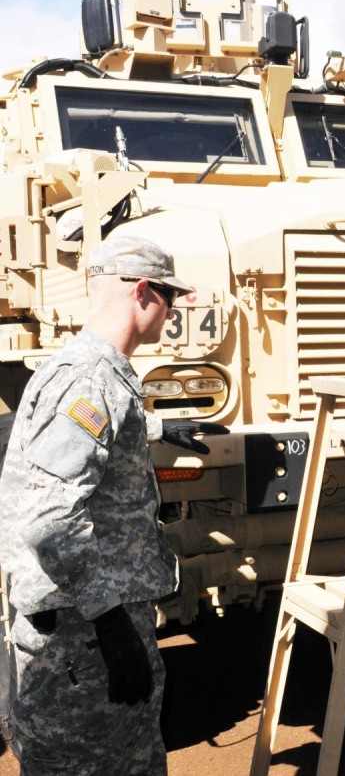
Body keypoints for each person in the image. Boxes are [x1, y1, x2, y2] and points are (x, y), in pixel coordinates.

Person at [0, 233, 223, 775]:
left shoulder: (85, 368)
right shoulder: (90, 377)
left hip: (82, 622)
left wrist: (159, 425)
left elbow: (83, 435)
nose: (170, 312)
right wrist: (110, 622)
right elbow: (50, 515)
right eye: (168, 297)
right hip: (81, 632)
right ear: (143, 291)